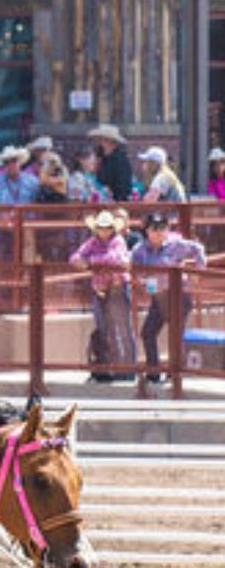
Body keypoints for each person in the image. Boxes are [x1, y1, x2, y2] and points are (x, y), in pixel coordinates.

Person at [131, 211, 207, 386]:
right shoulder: (140, 250)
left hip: (178, 295)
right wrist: (141, 280)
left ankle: (175, 372)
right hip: (158, 297)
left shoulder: (176, 244)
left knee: (175, 334)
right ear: (147, 230)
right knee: (148, 332)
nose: (158, 232)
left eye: (162, 228)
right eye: (154, 228)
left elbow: (198, 249)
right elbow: (133, 266)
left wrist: (198, 270)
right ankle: (154, 372)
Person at [69, 209, 138, 384]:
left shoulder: (118, 241)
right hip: (99, 290)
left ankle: (128, 369)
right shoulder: (92, 243)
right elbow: (75, 257)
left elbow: (114, 259)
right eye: (101, 227)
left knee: (123, 330)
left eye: (107, 227)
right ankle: (107, 369)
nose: (104, 231)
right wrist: (82, 261)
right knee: (103, 329)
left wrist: (90, 262)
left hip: (117, 289)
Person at [89, 125, 135, 202]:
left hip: (117, 202)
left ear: (110, 142)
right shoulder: (104, 158)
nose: (100, 143)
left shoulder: (119, 159)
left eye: (103, 140)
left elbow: (120, 185)